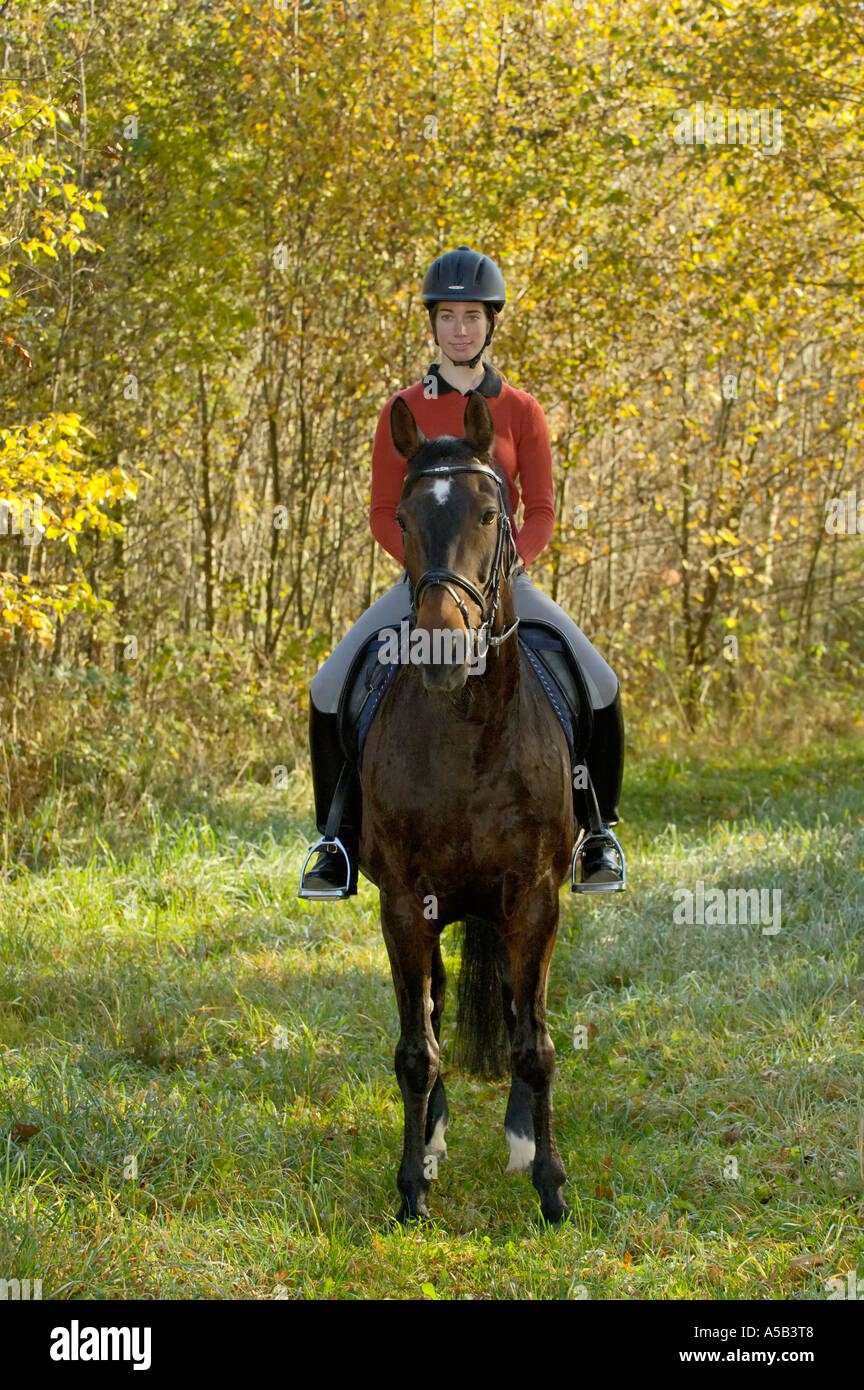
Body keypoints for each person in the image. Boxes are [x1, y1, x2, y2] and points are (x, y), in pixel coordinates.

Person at [299, 246, 625, 898]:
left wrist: (506, 570)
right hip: (423, 588)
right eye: (448, 317)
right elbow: (383, 511)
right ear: (434, 325)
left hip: (507, 585)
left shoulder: (523, 411)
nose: (460, 329)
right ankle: (334, 840)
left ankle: (597, 831)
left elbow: (542, 509)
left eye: (471, 316)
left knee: (601, 681)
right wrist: (431, 580)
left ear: (490, 323)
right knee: (328, 687)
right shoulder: (403, 408)